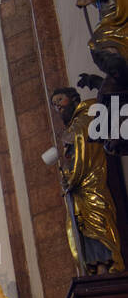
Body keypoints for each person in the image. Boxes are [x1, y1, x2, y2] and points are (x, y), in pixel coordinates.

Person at [50, 86, 123, 272]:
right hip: (79, 188)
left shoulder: (87, 114)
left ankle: (110, 265)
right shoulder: (74, 125)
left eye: (60, 100)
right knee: (82, 227)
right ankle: (97, 269)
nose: (57, 106)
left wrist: (72, 177)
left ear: (73, 98)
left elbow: (84, 147)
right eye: (54, 104)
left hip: (91, 182)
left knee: (98, 222)